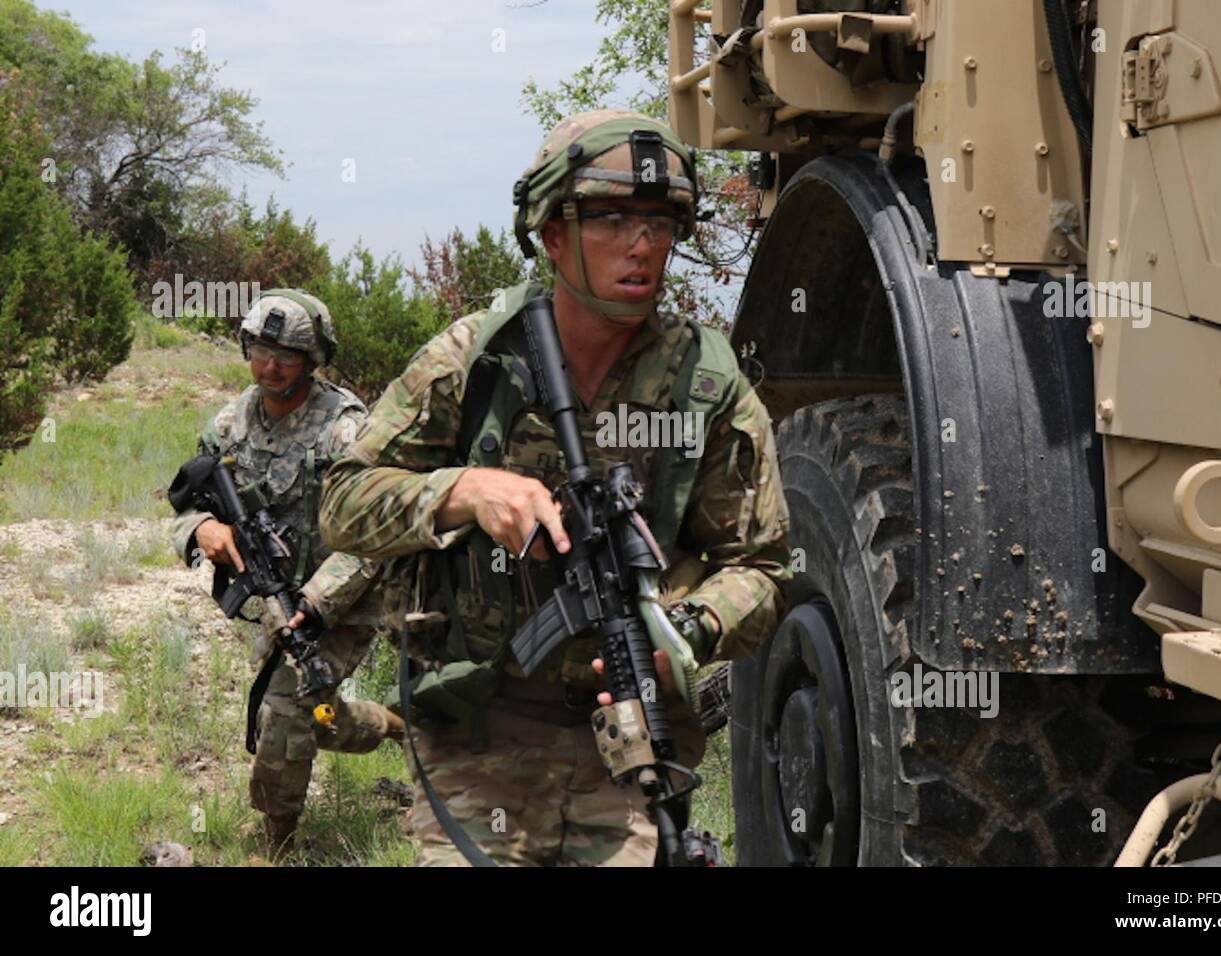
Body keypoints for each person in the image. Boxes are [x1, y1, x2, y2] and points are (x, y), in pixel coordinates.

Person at [319, 110, 791, 866]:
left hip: (632, 736)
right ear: (551, 234)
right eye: (609, 219)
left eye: (660, 223)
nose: (641, 245)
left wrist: (689, 632)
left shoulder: (705, 384)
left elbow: (764, 567)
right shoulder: (476, 361)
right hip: (481, 725)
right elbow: (342, 503)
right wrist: (463, 489)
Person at [170, 289, 403, 854]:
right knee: (317, 718)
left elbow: (377, 533)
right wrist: (202, 530)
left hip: (345, 599)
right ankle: (395, 726)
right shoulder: (229, 424)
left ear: (313, 359)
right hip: (275, 599)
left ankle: (275, 845)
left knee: (282, 710)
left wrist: (318, 601)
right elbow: (185, 502)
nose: (270, 366)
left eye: (287, 355)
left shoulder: (345, 430)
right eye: (260, 350)